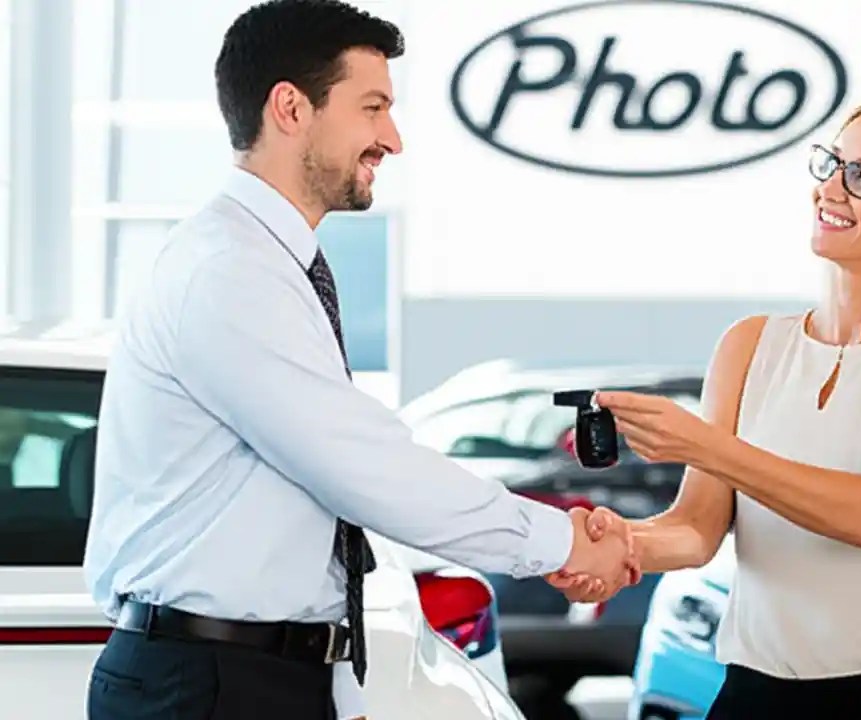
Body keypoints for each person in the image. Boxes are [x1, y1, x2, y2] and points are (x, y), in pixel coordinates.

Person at [82, 2, 633, 719]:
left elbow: (306, 512)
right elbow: (363, 467)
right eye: (372, 107)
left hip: (260, 674)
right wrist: (561, 540)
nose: (392, 139)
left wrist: (338, 687)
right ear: (290, 107)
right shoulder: (229, 272)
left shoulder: (271, 265)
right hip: (209, 685)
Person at [552, 92, 861, 718]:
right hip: (754, 691)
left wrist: (706, 445)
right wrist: (616, 544)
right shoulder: (750, 343)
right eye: (832, 163)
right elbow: (697, 529)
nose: (832, 189)